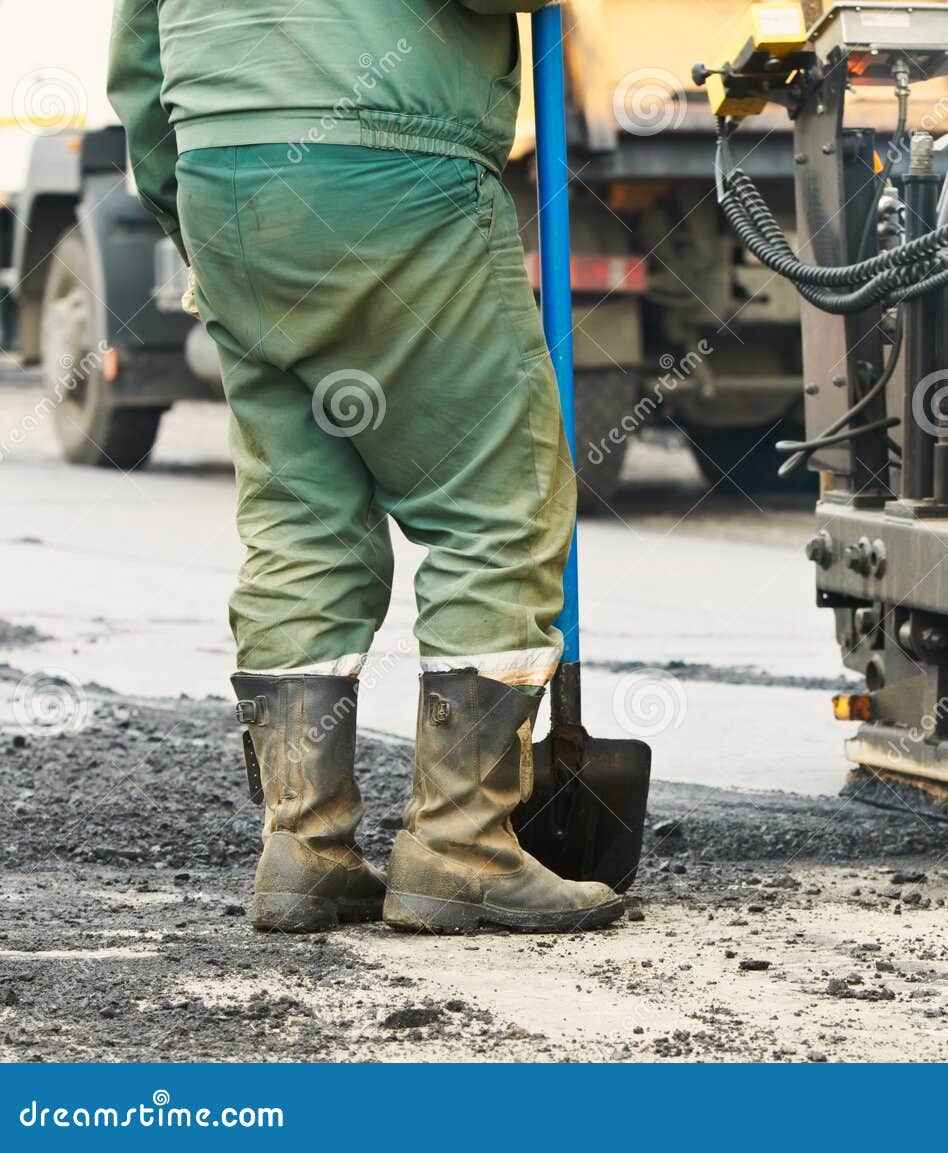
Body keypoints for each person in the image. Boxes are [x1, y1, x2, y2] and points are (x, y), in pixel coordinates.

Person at [108, 0, 624, 935]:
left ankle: (304, 851)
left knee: (303, 522)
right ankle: (459, 849)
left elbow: (139, 57)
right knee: (495, 502)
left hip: (224, 179)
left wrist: (192, 213)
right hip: (392, 166)